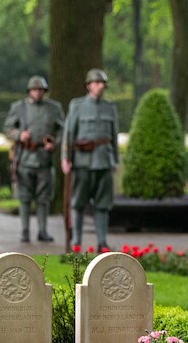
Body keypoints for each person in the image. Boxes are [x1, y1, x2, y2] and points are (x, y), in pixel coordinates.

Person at [60, 68, 119, 251]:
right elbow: (68, 134)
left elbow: (114, 137)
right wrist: (65, 158)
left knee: (103, 204)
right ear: (88, 86)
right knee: (78, 203)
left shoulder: (110, 108)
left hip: (104, 161)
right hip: (83, 162)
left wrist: (114, 161)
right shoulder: (77, 106)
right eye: (97, 82)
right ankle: (76, 241)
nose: (101, 86)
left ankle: (102, 242)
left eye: (103, 83)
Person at [5, 75, 65, 243]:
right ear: (29, 91)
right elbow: (8, 127)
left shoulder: (54, 108)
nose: (37, 93)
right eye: (34, 90)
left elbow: (62, 130)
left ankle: (43, 230)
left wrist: (54, 142)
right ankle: (25, 231)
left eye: (40, 90)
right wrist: (19, 135)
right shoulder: (19, 107)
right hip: (25, 157)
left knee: (43, 198)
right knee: (24, 197)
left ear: (45, 91)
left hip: (44, 158)